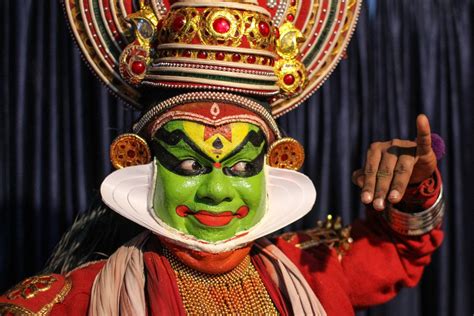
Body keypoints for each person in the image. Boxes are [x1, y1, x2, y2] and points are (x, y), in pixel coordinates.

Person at [0, 0, 445, 315]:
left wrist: (412, 192)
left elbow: (400, 249)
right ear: (139, 161)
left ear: (275, 166)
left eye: (240, 166)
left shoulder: (316, 271)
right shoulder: (62, 304)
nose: (216, 192)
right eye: (190, 165)